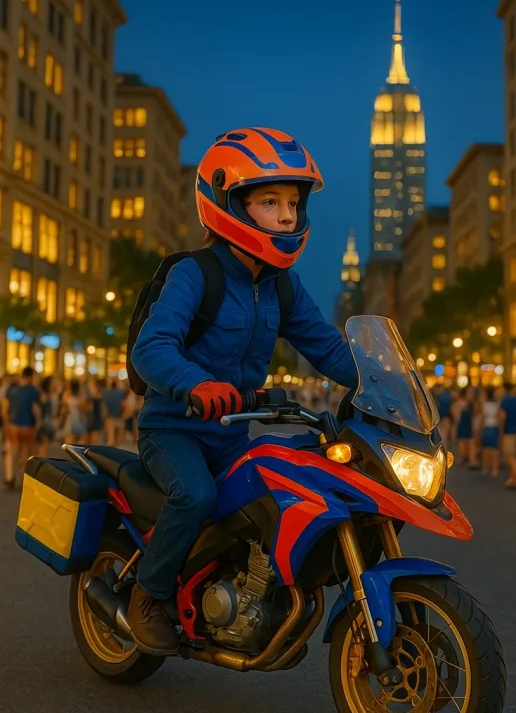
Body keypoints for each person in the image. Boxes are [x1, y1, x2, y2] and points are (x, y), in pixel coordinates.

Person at [126, 127, 359, 654]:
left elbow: (326, 347)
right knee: (198, 495)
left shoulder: (280, 284)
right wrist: (198, 384)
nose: (285, 217)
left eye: (293, 204)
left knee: (290, 483)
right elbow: (151, 348)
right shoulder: (194, 273)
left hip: (232, 434)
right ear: (228, 202)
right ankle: (149, 592)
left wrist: (389, 381)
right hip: (174, 429)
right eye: (269, 202)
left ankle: (259, 595)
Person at [3, 366, 41, 489]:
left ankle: (9, 477)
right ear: (31, 377)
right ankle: (21, 480)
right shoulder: (32, 391)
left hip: (13, 425)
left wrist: (7, 423)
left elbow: (5, 409)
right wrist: (38, 425)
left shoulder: (12, 389)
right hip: (27, 426)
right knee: (25, 453)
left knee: (11, 451)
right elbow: (36, 411)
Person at [479, 385, 500, 478]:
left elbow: (482, 418)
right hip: (495, 426)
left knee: (486, 449)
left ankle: (486, 468)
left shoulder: (484, 405)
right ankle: (495, 470)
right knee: (495, 449)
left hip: (487, 427)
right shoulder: (497, 404)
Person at [102, 380, 126, 446]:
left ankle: (111, 451)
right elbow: (123, 404)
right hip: (119, 416)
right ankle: (116, 448)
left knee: (110, 437)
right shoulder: (120, 393)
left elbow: (104, 405)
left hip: (110, 417)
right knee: (118, 436)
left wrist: (104, 415)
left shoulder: (106, 393)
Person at [86, 379, 105, 444]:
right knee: (93, 435)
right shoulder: (99, 394)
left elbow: (90, 408)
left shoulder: (93, 396)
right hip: (95, 416)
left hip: (93, 416)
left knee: (93, 435)